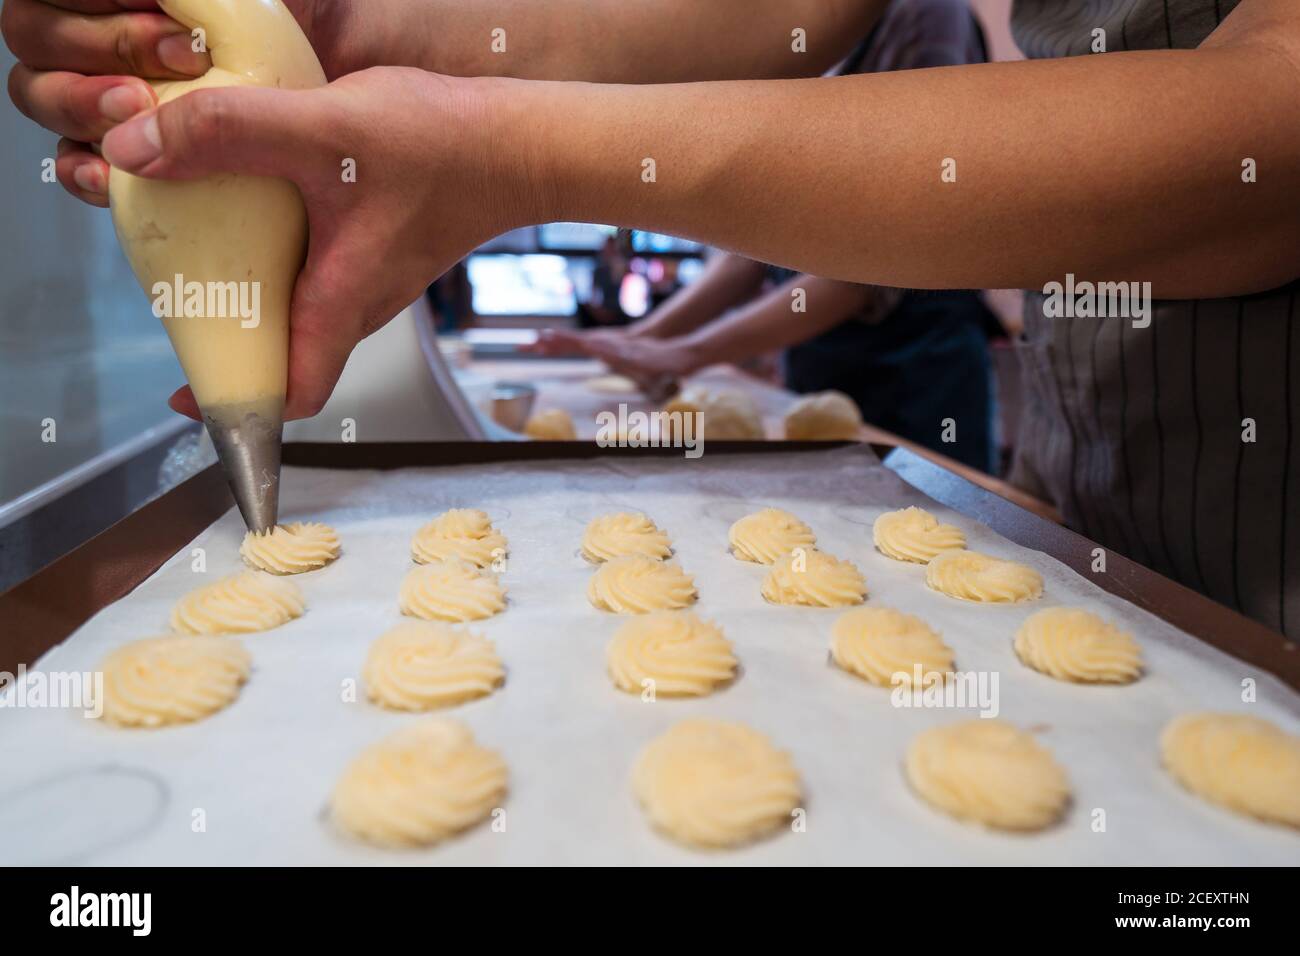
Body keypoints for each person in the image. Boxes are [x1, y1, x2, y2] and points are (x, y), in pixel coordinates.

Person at [5, 0, 1298, 637]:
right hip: (1085, 536)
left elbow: (1269, 135)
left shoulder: (940, 38)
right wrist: (355, 30)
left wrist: (509, 157)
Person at [532, 0, 1002, 473]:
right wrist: (642, 339)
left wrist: (686, 352)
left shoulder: (923, 17)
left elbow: (878, 265)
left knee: (928, 523)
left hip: (916, 365)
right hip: (820, 354)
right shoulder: (800, 40)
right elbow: (751, 254)